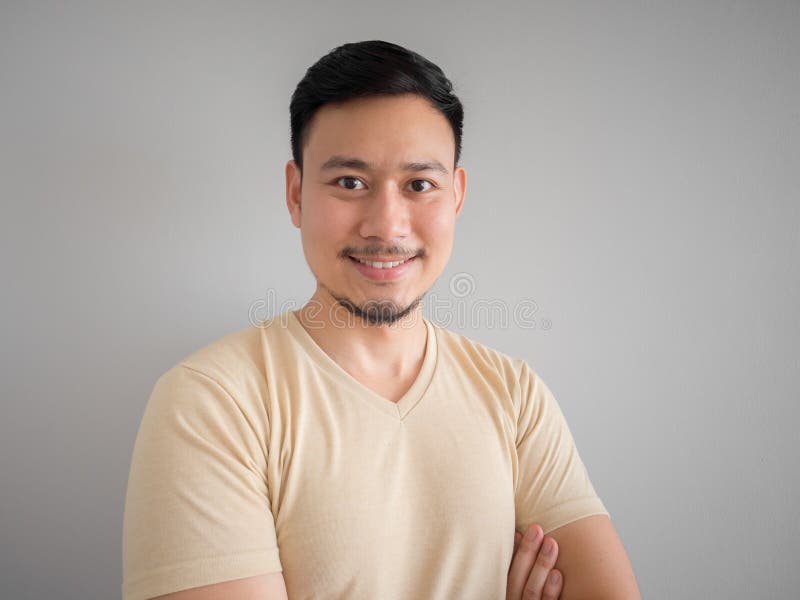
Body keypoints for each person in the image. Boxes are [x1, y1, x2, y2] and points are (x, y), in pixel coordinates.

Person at [122, 40, 641, 600]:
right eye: (350, 182)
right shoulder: (215, 403)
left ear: (457, 196)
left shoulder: (513, 396)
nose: (387, 226)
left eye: (420, 185)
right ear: (296, 194)